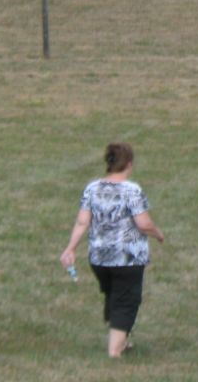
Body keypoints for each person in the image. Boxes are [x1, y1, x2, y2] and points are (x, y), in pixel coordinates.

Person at [60, 142, 167, 357]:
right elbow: (144, 223)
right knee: (126, 301)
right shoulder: (132, 190)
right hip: (128, 258)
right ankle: (115, 351)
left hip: (99, 258)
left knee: (113, 295)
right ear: (129, 164)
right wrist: (158, 234)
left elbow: (82, 222)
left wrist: (70, 248)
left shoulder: (92, 188)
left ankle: (121, 341)